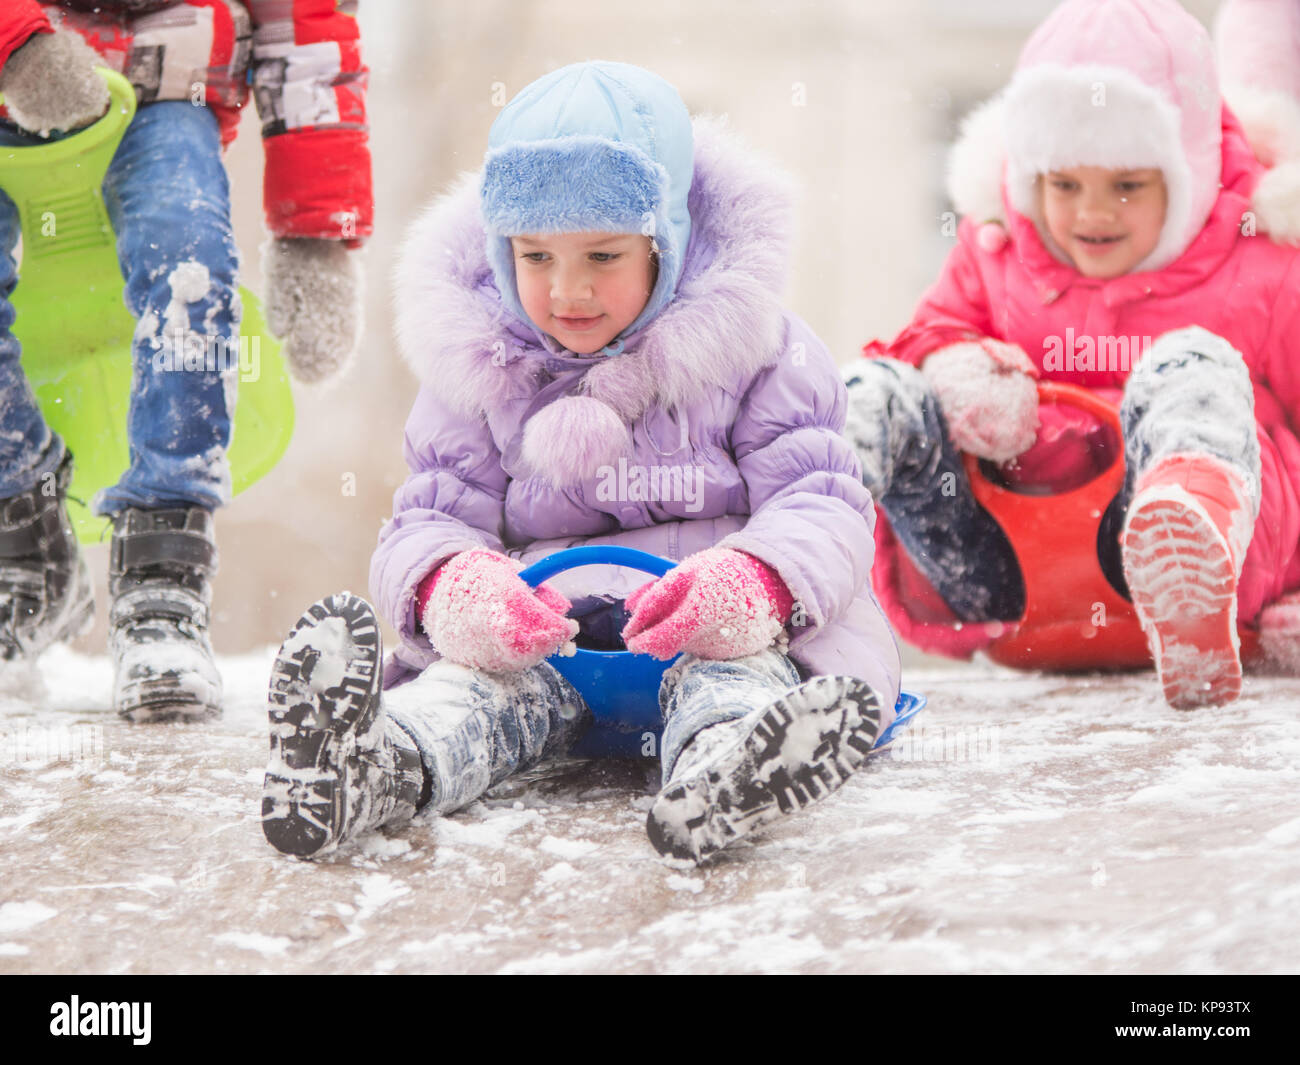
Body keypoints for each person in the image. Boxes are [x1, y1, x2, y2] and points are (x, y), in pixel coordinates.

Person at [259, 61, 902, 866]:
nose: (568, 290)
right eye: (535, 257)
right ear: (501, 252)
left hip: (712, 631)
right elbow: (428, 516)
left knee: (731, 682)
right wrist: (453, 587)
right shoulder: (479, 371)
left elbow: (823, 500)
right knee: (473, 696)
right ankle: (375, 767)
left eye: (602, 256)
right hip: (547, 642)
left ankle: (729, 772)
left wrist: (757, 583)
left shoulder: (758, 352)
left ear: (666, 241)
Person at [841, 0, 1300, 709]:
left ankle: (1186, 539)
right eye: (1064, 184)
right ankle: (805, 552)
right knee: (880, 387)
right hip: (1004, 566)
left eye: (1126, 184)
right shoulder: (995, 249)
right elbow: (928, 332)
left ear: (1191, 173)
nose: (1091, 214)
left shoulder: (1265, 263)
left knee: (1193, 367)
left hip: (1195, 560)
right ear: (1029, 176)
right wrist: (957, 367)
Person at [0, 1, 371, 719]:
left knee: (188, 271)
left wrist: (315, 232)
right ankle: (24, 541)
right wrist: (16, 41)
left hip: (165, 94)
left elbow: (308, 29)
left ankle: (163, 584)